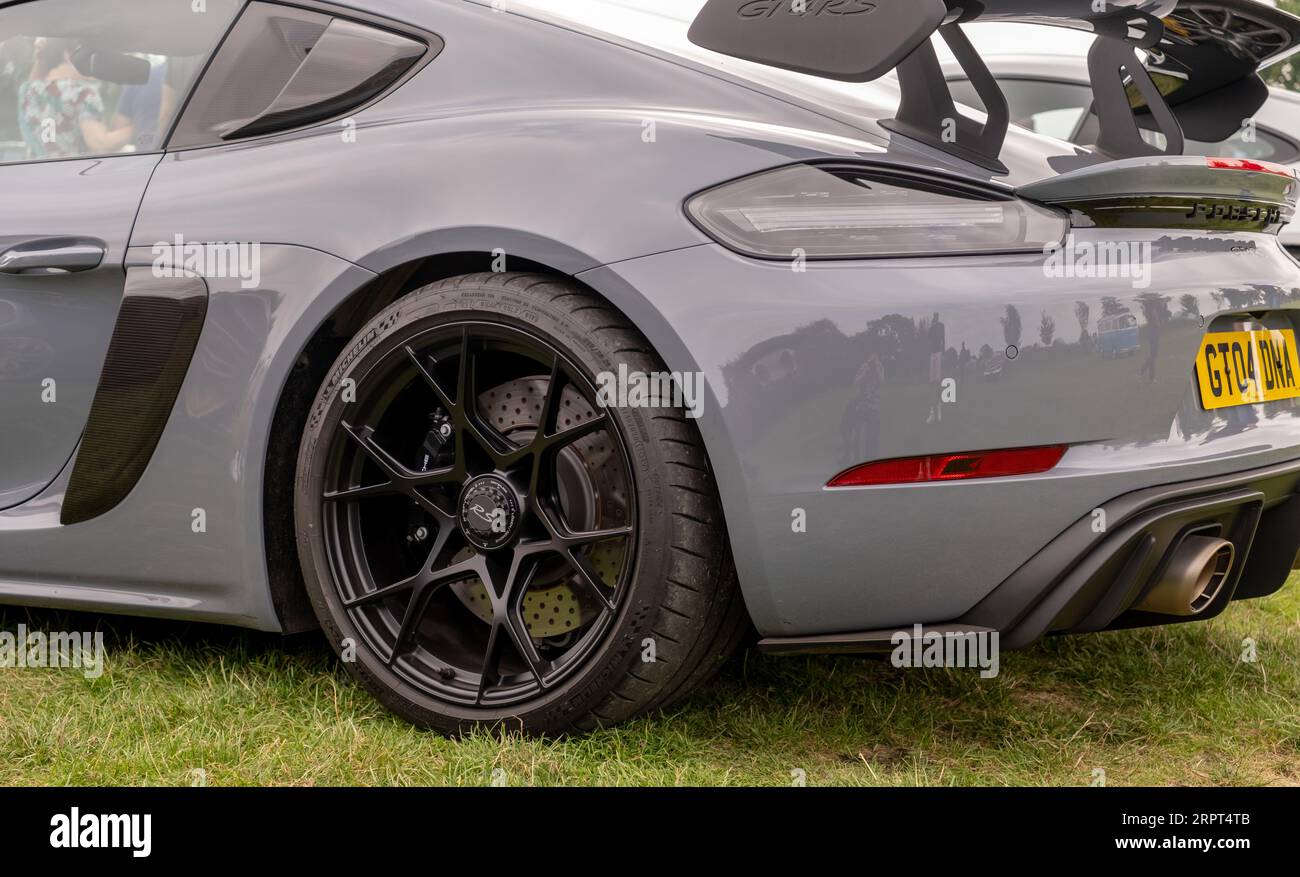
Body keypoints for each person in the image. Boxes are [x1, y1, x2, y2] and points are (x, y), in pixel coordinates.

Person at [17, 37, 123, 159]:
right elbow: (99, 144)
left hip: (34, 175)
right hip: (74, 174)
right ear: (69, 55)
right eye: (94, 56)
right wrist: (132, 128)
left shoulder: (27, 91)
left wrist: (42, 58)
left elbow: (35, 82)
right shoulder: (82, 93)